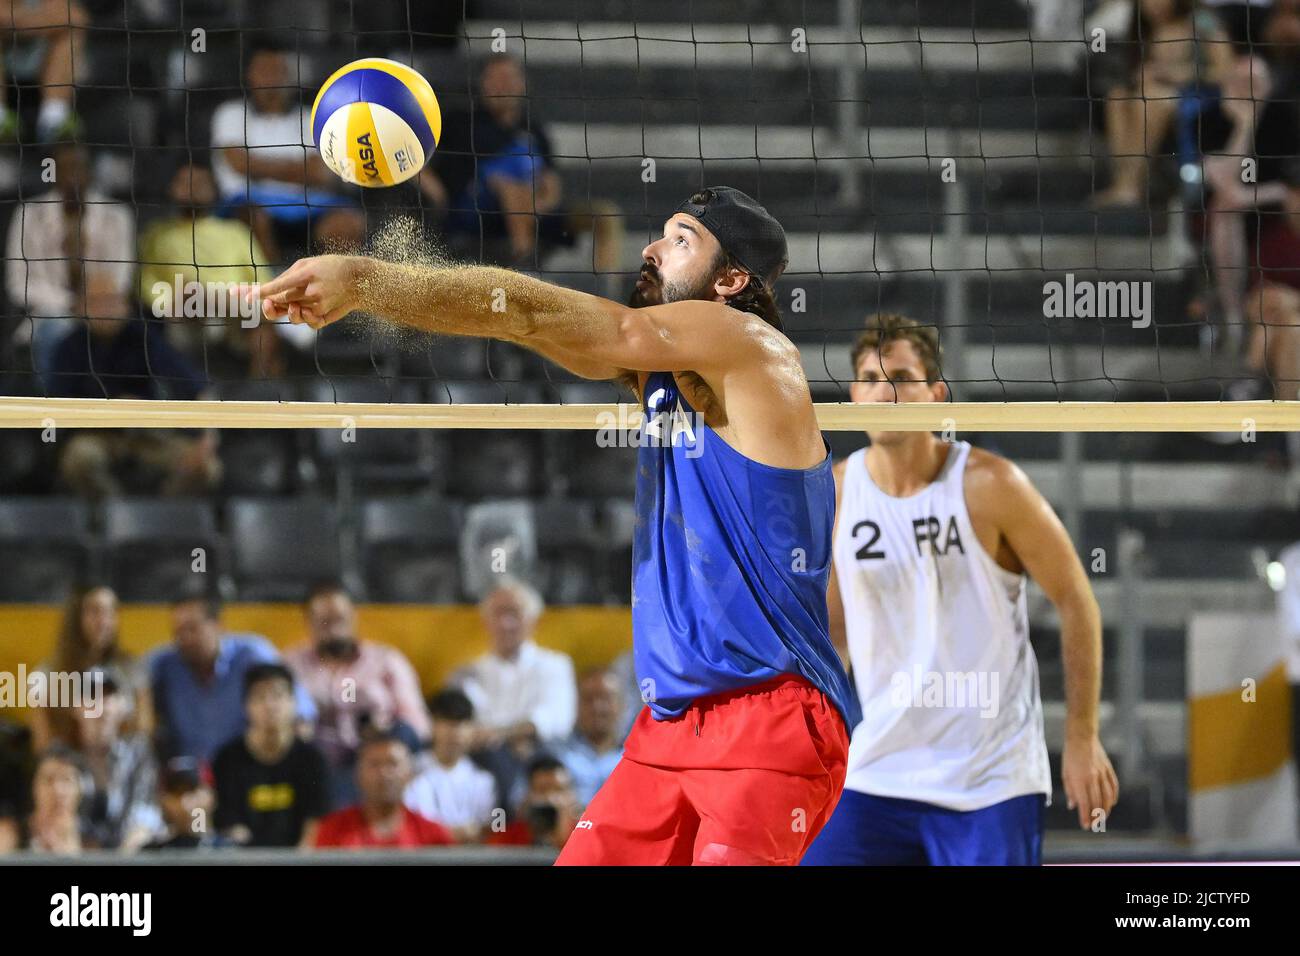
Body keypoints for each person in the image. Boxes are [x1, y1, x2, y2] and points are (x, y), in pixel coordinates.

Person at [251, 184, 858, 866]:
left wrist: (365, 278)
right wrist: (378, 290)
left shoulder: (748, 342)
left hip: (769, 717)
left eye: (681, 240)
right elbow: (525, 320)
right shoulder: (663, 371)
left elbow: (554, 315)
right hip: (670, 727)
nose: (652, 249)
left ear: (732, 280)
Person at [800, 314, 1118, 866]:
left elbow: (1076, 601)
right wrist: (806, 735)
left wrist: (1083, 737)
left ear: (936, 392)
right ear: (853, 394)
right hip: (878, 769)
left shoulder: (990, 485)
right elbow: (835, 635)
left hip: (989, 778)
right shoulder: (839, 491)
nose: (885, 392)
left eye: (901, 375)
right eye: (871, 379)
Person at [419, 52, 623, 278]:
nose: (501, 85)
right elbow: (416, 153)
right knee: (510, 188)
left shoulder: (533, 129)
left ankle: (606, 296)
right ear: (482, 84)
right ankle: (526, 269)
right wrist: (435, 190)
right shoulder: (460, 122)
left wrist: (541, 203)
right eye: (494, 78)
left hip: (535, 207)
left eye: (508, 78)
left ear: (522, 84)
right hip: (475, 211)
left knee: (605, 215)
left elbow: (551, 181)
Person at [210, 40, 364, 262]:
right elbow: (239, 164)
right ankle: (271, 288)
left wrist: (259, 166)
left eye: (278, 70)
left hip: (308, 205)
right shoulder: (230, 113)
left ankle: (333, 292)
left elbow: (320, 173)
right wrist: (297, 169)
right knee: (254, 217)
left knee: (347, 222)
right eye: (264, 70)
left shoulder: (311, 116)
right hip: (249, 203)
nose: (271, 78)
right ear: (250, 75)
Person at [284, 581, 431, 806]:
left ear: (354, 616)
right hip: (318, 760)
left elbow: (418, 724)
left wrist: (386, 733)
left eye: (339, 619)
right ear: (308, 622)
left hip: (376, 755)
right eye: (324, 621)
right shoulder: (291, 665)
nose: (333, 628)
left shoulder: (385, 660)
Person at [4, 141, 134, 378]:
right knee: (59, 329)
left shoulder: (117, 215)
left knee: (136, 336)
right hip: (48, 315)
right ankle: (56, 405)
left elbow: (121, 278)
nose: (72, 174)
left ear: (90, 171)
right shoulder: (30, 214)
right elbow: (17, 285)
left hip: (105, 314)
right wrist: (70, 304)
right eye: (64, 168)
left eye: (78, 166)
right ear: (52, 173)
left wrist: (93, 305)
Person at [146, 595, 317, 764]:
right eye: (178, 631)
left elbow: (301, 713)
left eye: (192, 628)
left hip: (244, 770)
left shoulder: (252, 654)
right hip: (188, 776)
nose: (186, 638)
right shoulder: (164, 664)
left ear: (218, 626)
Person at [212, 664, 330, 848]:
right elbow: (230, 826)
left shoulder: (312, 759)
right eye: (260, 697)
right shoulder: (227, 759)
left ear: (294, 703)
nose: (270, 705)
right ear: (246, 706)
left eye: (278, 695)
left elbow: (315, 825)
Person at [450, 580, 577, 748]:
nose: (506, 623)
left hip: (539, 756)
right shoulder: (466, 673)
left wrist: (499, 734)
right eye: (498, 613)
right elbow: (460, 726)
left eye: (514, 613)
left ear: (534, 621)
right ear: (485, 622)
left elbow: (555, 720)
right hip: (484, 757)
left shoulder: (555, 665)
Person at [28, 583, 145, 753]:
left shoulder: (130, 668)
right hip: (69, 769)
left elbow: (143, 731)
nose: (104, 621)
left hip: (122, 767)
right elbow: (43, 744)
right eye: (95, 611)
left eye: (111, 611)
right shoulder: (45, 675)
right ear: (75, 617)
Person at [313, 730, 455, 849]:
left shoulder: (434, 836)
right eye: (374, 764)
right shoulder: (332, 830)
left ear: (409, 775)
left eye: (393, 764)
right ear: (357, 775)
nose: (384, 773)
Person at [69, 670, 161, 852]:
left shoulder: (138, 753)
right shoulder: (62, 760)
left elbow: (144, 818)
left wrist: (120, 860)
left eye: (109, 697)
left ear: (124, 706)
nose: (101, 707)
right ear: (75, 707)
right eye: (91, 697)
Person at [403, 689, 497, 842]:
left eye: (461, 724)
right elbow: (408, 824)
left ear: (472, 730)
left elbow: (486, 829)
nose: (454, 732)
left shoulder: (483, 780)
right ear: (432, 724)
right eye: (446, 723)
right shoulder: (409, 771)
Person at [0, 0, 86, 142]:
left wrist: (22, 23)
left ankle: (55, 118)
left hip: (38, 57)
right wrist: (46, 21)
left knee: (70, 32)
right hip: (8, 55)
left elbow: (76, 17)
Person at [553, 668, 625, 806]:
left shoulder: (640, 756)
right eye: (589, 699)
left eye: (606, 698)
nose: (597, 707)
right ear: (576, 705)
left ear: (622, 705)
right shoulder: (555, 754)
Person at [485, 755, 581, 850]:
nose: (551, 799)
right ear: (527, 795)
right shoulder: (509, 835)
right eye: (542, 790)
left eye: (559, 790)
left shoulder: (585, 833)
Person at [141, 758, 231, 851]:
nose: (184, 802)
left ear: (211, 796)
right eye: (177, 793)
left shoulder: (228, 851)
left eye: (192, 792)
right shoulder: (151, 852)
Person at [19, 747, 90, 853]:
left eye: (67, 779)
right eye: (48, 779)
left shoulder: (94, 839)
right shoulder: (13, 833)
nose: (58, 790)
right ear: (34, 787)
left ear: (80, 790)